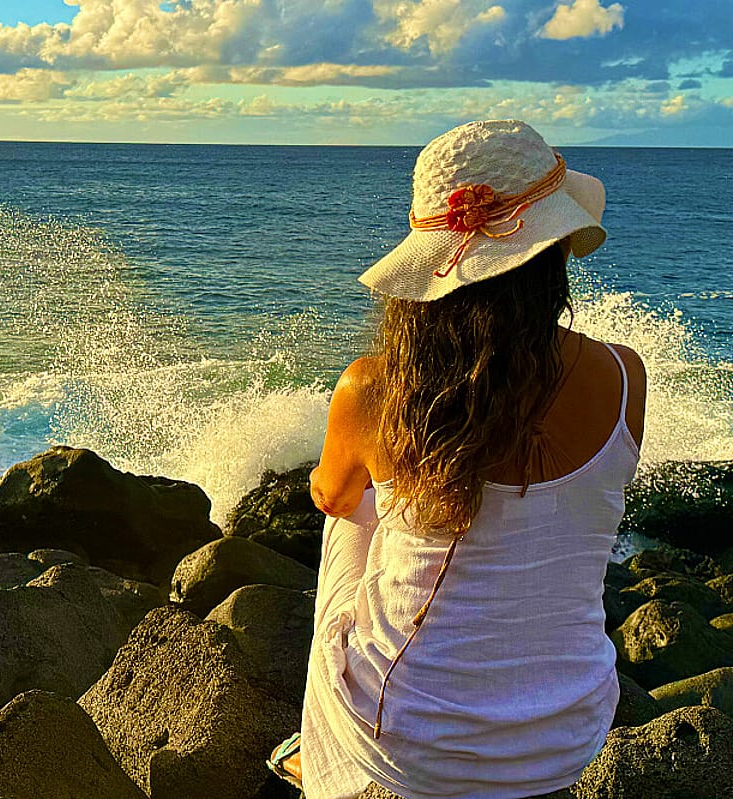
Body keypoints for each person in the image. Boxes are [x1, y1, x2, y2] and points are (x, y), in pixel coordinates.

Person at [267, 119, 647, 799]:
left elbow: (328, 493)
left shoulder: (374, 388)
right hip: (569, 730)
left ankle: (325, 765)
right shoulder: (625, 378)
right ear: (556, 248)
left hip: (410, 745)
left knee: (351, 512)